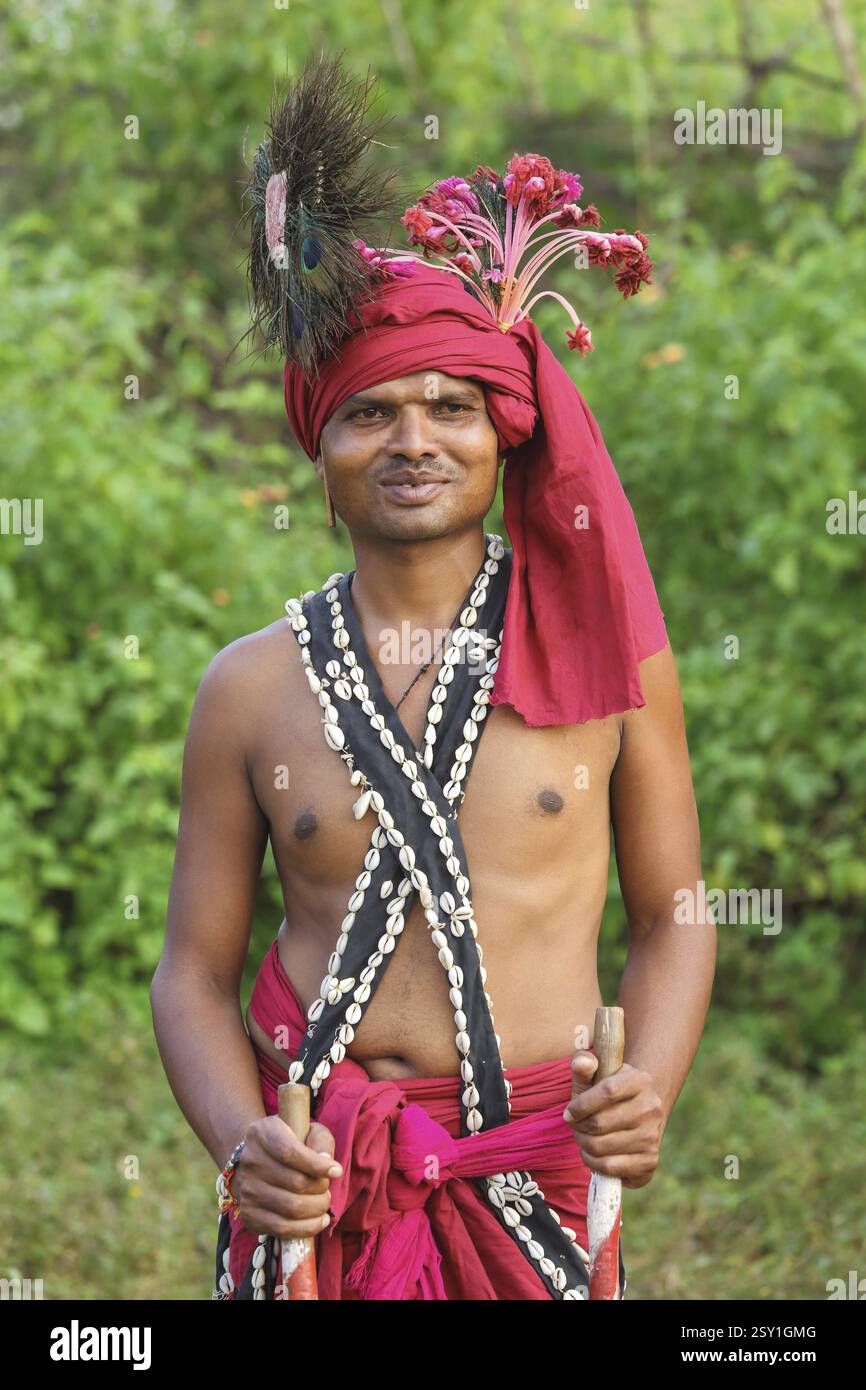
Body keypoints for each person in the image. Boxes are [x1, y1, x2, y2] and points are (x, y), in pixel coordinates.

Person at [150, 55, 716, 1301]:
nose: (415, 439)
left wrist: (647, 1092)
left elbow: (677, 915)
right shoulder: (247, 690)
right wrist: (243, 1140)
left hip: (534, 1171)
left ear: (503, 428)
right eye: (371, 413)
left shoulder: (607, 662)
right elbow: (192, 965)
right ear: (320, 445)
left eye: (452, 407)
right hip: (319, 1173)